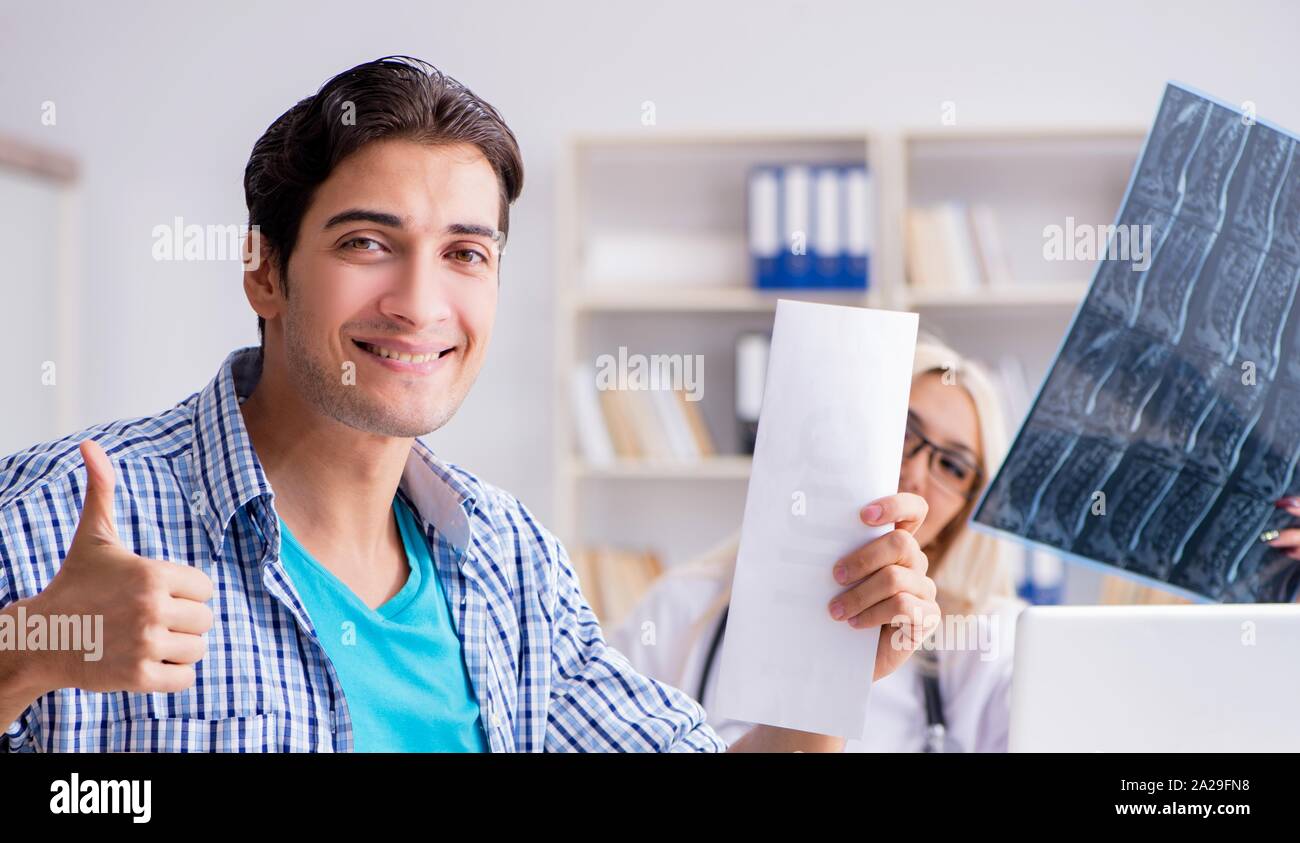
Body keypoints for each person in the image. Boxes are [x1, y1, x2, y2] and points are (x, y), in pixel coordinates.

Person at [0, 56, 939, 753]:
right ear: (265, 272)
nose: (419, 302)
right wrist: (31, 648)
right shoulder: (63, 516)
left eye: (464, 253)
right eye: (368, 242)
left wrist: (832, 667)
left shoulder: (511, 560)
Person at [612, 338, 1024, 752]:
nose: (915, 473)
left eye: (953, 466)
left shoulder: (989, 645)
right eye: (904, 431)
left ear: (964, 512)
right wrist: (826, 686)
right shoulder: (679, 611)